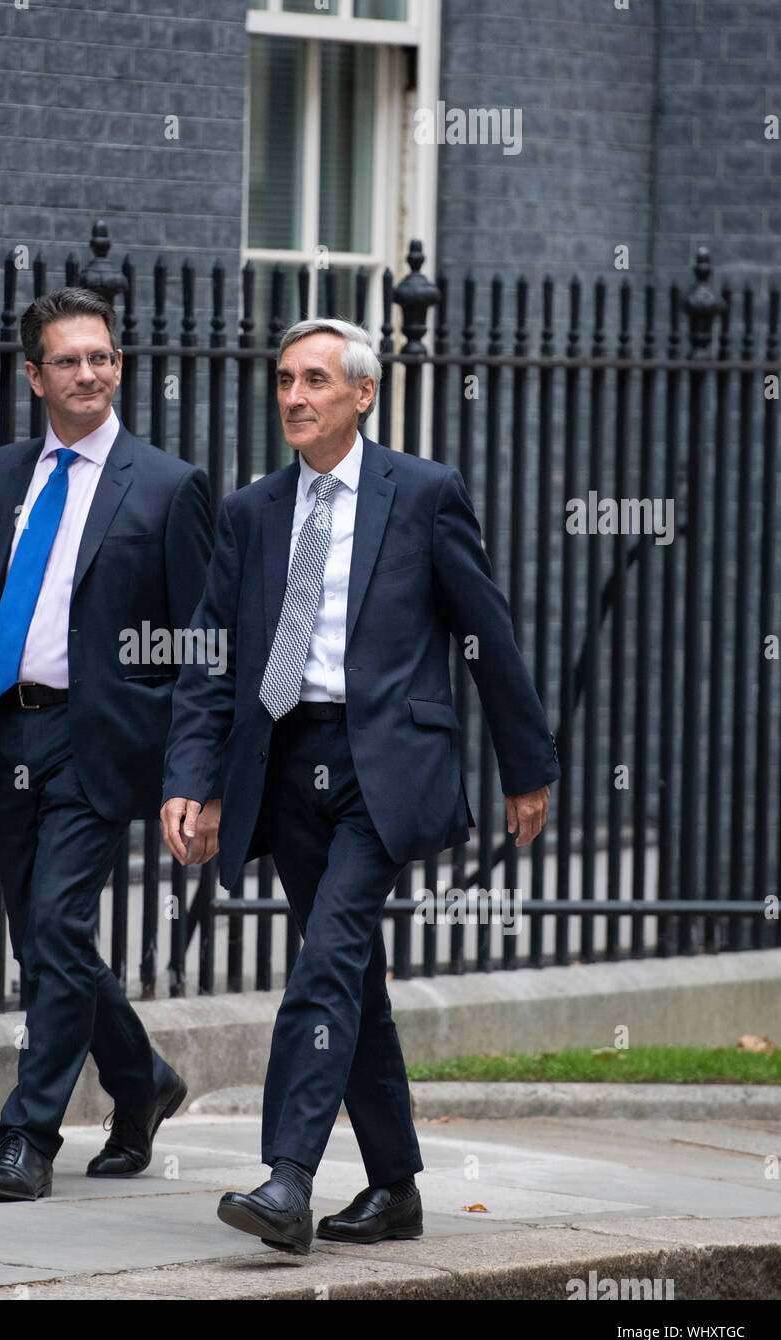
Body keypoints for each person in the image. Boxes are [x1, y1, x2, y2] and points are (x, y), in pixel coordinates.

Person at [161, 317, 559, 1254]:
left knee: (326, 956)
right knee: (352, 978)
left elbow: (487, 632)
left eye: (315, 381)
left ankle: (287, 1178)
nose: (295, 397)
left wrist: (527, 765)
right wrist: (195, 779)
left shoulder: (421, 493)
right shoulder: (255, 511)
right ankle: (396, 1189)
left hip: (385, 764)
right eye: (285, 380)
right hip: (286, 763)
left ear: (363, 394)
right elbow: (211, 658)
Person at [0, 286, 213, 1200]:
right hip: (3, 729)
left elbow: (202, 650)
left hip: (96, 740)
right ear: (34, 375)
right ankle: (143, 1084)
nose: (90, 372)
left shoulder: (169, 486)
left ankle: (27, 1138)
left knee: (58, 927)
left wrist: (194, 774)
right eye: (69, 359)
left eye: (101, 355)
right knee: (46, 944)